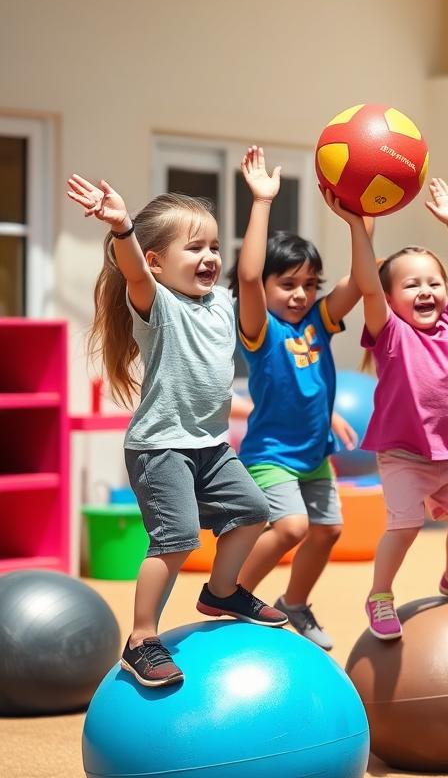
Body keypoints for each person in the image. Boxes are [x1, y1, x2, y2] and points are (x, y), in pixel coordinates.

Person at [69, 174, 287, 688]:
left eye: (214, 246)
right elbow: (135, 275)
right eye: (194, 248)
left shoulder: (221, 304)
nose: (210, 256)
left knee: (254, 511)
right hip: (162, 447)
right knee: (175, 540)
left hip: (210, 446)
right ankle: (141, 639)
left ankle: (222, 591)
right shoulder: (157, 305)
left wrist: (262, 202)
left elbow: (251, 272)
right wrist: (123, 227)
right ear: (157, 261)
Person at [323, 178, 448, 640]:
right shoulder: (392, 334)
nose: (425, 291)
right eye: (411, 285)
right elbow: (366, 284)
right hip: (403, 454)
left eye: (434, 283)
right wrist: (357, 229)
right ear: (390, 299)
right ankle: (380, 594)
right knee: (404, 527)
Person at [228, 146, 363, 652]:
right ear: (264, 290)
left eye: (309, 285)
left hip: (314, 455)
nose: (302, 294)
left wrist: (358, 220)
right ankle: (230, 594)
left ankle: (294, 603)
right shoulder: (260, 331)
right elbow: (246, 276)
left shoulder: (318, 324)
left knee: (326, 532)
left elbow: (359, 283)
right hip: (270, 457)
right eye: (287, 285)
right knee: (290, 527)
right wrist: (262, 201)